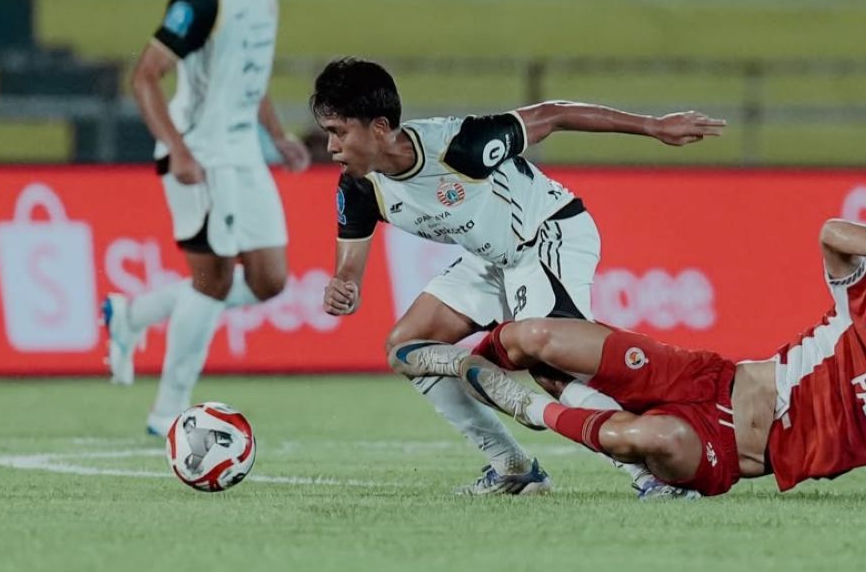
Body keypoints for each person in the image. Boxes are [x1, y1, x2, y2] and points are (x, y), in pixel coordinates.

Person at [397, 218, 866, 504]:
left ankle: (529, 407)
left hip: (724, 451)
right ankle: (465, 365)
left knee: (642, 438)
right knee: (538, 337)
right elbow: (833, 235)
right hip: (707, 375)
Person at [311, 58, 726, 495]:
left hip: (546, 232)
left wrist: (653, 127)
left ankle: (652, 475)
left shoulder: (459, 148)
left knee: (554, 369)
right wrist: (345, 286)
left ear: (379, 127)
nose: (331, 146)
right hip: (492, 259)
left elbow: (555, 113)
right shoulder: (359, 187)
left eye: (339, 131)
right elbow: (349, 268)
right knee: (406, 345)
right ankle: (512, 466)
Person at [103, 0, 311, 436]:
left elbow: (251, 71)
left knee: (271, 281)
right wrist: (179, 150)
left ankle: (132, 315)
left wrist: (279, 135)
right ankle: (167, 410)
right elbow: (144, 76)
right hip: (200, 155)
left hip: (245, 152)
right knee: (213, 279)